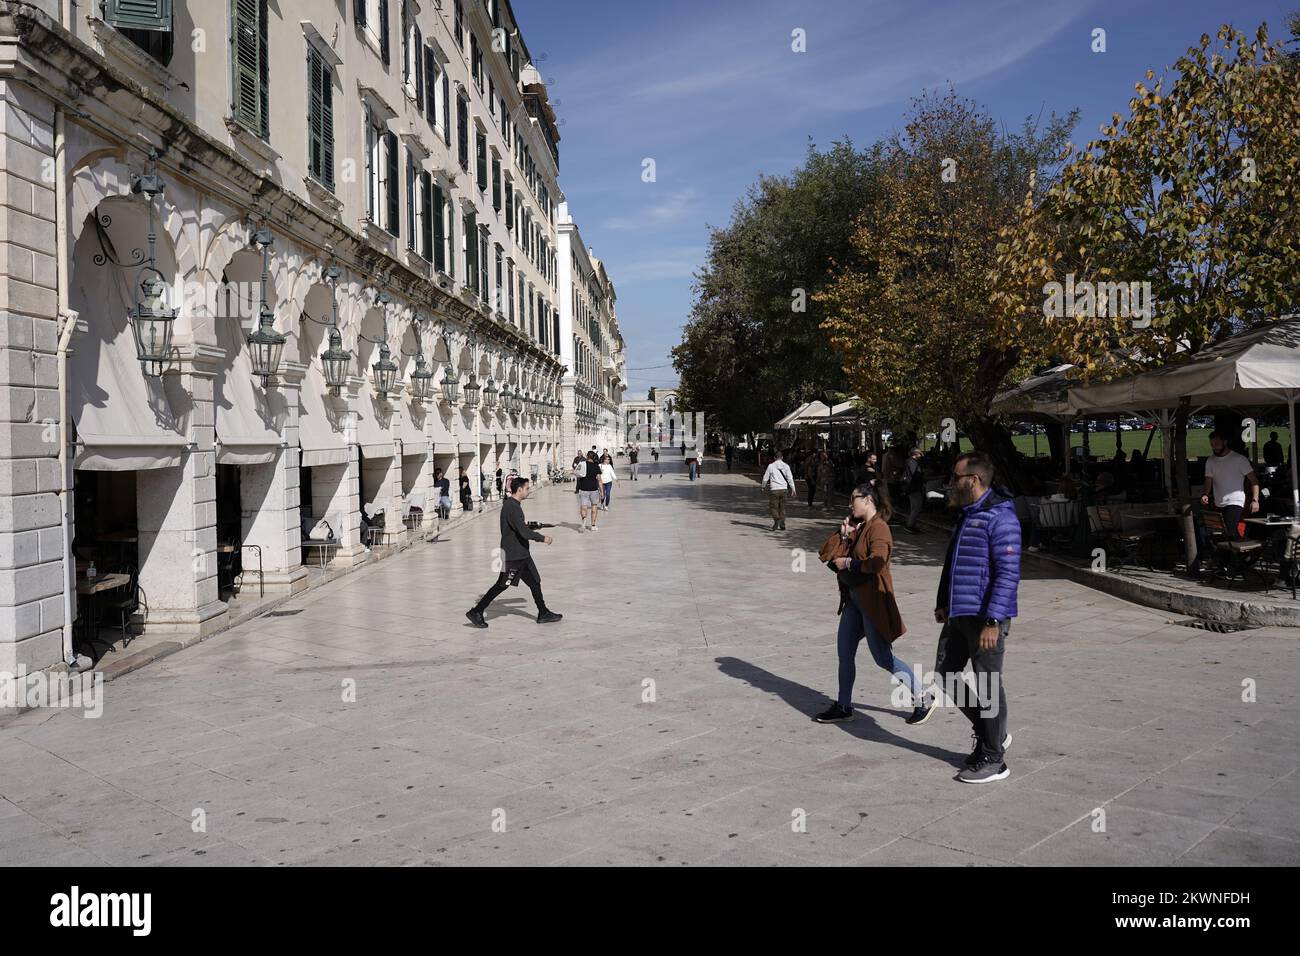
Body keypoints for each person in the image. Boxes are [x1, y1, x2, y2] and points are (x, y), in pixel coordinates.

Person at [932, 451, 1020, 784]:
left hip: (986, 618)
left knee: (988, 684)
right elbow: (952, 561)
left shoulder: (1002, 518)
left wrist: (993, 620)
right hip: (960, 613)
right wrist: (943, 601)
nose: (951, 483)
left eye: (955, 477)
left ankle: (995, 759)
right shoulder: (968, 514)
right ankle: (989, 733)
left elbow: (1008, 573)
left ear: (975, 480)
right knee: (946, 674)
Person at [814, 483, 931, 725]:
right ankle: (844, 706)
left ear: (868, 499)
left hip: (873, 602)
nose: (850, 504)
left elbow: (877, 562)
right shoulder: (859, 527)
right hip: (854, 601)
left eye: (853, 499)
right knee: (844, 653)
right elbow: (825, 553)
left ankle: (923, 696)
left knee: (883, 658)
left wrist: (850, 564)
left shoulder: (880, 528)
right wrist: (843, 534)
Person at [465, 476, 562, 628]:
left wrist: (530, 527)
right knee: (501, 585)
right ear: (519, 490)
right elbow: (523, 532)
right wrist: (542, 538)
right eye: (527, 488)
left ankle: (543, 612)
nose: (528, 491)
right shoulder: (512, 507)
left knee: (535, 582)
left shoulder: (513, 505)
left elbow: (519, 527)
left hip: (522, 554)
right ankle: (476, 612)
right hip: (513, 556)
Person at [1189, 431, 1260, 576]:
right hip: (1219, 501)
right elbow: (1208, 480)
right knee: (1224, 535)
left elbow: (1254, 481)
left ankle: (1230, 561)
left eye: (1217, 443)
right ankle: (1241, 557)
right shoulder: (1211, 461)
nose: (1214, 447)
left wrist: (1255, 500)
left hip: (1236, 500)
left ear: (1224, 442)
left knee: (1230, 531)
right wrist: (1205, 494)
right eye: (1212, 444)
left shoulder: (1239, 459)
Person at [761, 449, 796, 531]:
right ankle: (782, 524)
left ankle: (776, 519)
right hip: (784, 489)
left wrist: (763, 486)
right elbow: (790, 478)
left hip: (774, 490)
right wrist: (793, 489)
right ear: (782, 457)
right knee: (782, 508)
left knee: (773, 507)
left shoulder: (771, 466)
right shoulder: (786, 466)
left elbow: (765, 478)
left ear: (774, 457)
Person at [576, 450, 602, 532]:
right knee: (594, 506)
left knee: (584, 507)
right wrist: (602, 491)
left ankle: (583, 522)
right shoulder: (596, 466)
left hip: (584, 489)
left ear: (587, 456)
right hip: (594, 489)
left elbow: (577, 473)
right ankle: (593, 526)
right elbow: (599, 479)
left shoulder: (582, 464)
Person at [902, 447, 925, 534]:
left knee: (914, 507)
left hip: (911, 487)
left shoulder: (910, 462)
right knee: (917, 507)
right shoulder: (913, 463)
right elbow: (915, 474)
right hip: (913, 488)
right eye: (920, 453)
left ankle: (910, 524)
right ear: (915, 455)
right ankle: (910, 525)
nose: (921, 455)